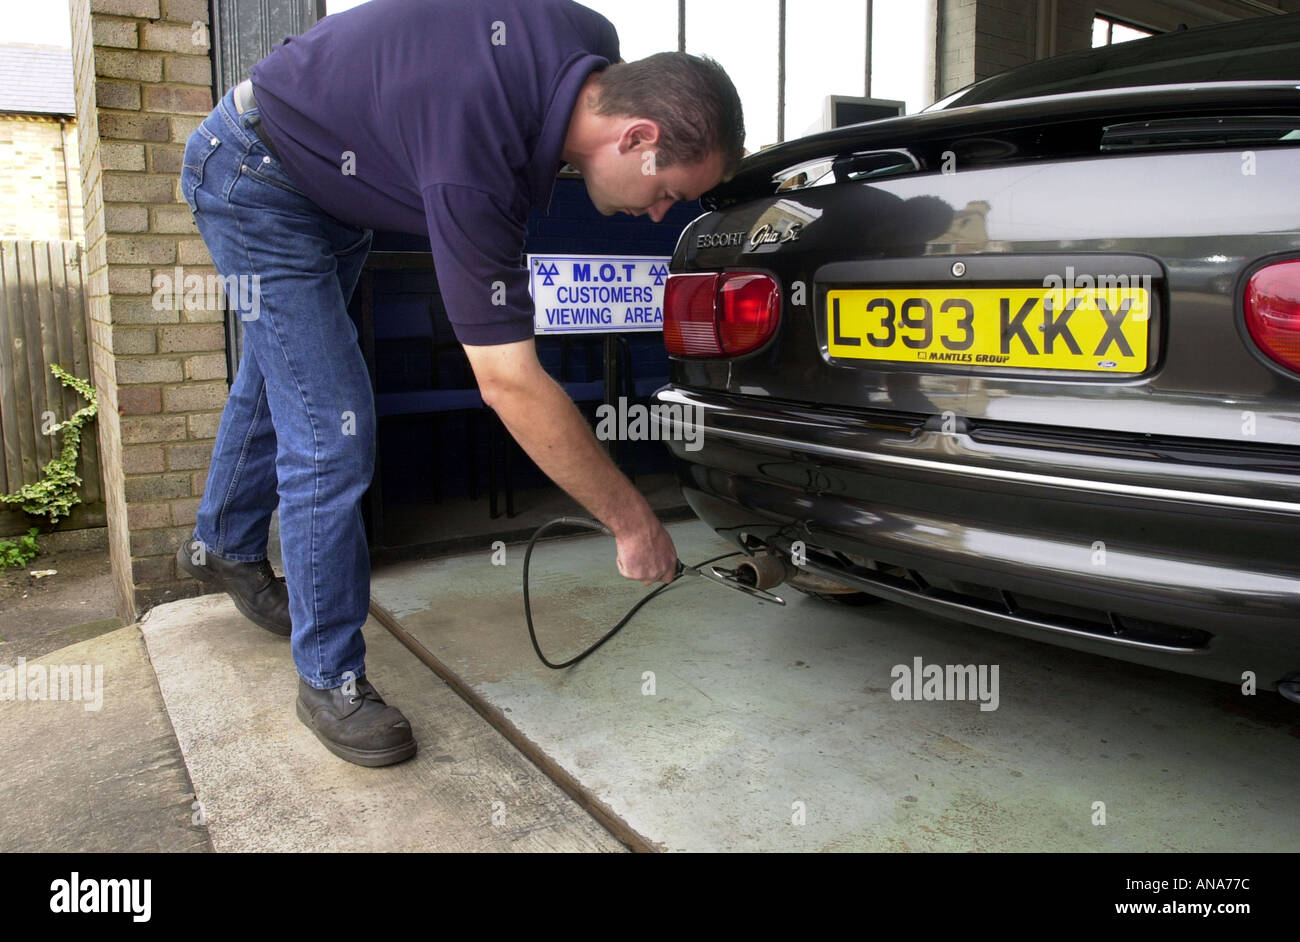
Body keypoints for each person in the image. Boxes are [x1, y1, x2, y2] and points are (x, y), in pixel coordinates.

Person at [174, 0, 745, 767]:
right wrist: (632, 522)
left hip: (330, 185)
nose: (658, 217)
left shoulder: (590, 41)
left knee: (286, 378)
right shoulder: (476, 161)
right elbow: (509, 382)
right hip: (258, 176)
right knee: (332, 426)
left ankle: (221, 543)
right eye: (668, 192)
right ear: (635, 136)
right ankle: (328, 679)